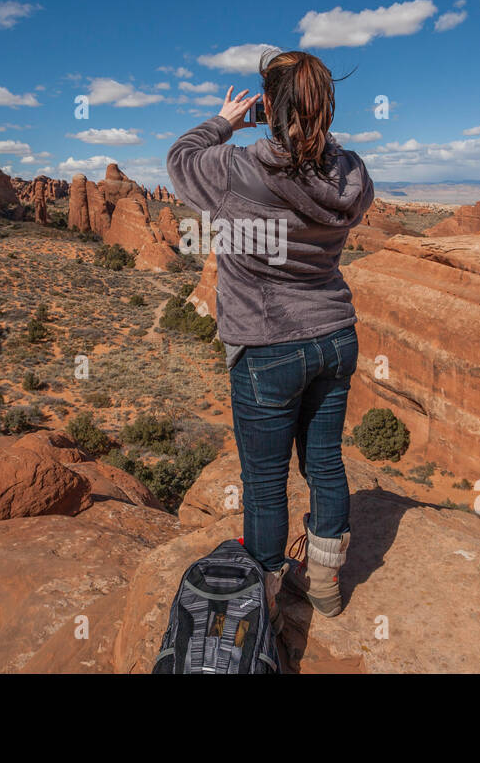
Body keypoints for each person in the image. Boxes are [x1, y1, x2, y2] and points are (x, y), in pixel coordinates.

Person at [166, 49, 373, 629]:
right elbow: (334, 183)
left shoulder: (237, 169)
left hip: (267, 347)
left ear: (270, 104)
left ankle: (262, 599)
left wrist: (228, 120)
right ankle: (326, 585)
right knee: (325, 462)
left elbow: (180, 159)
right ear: (325, 107)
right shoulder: (352, 172)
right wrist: (308, 139)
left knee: (263, 482)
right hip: (334, 336)